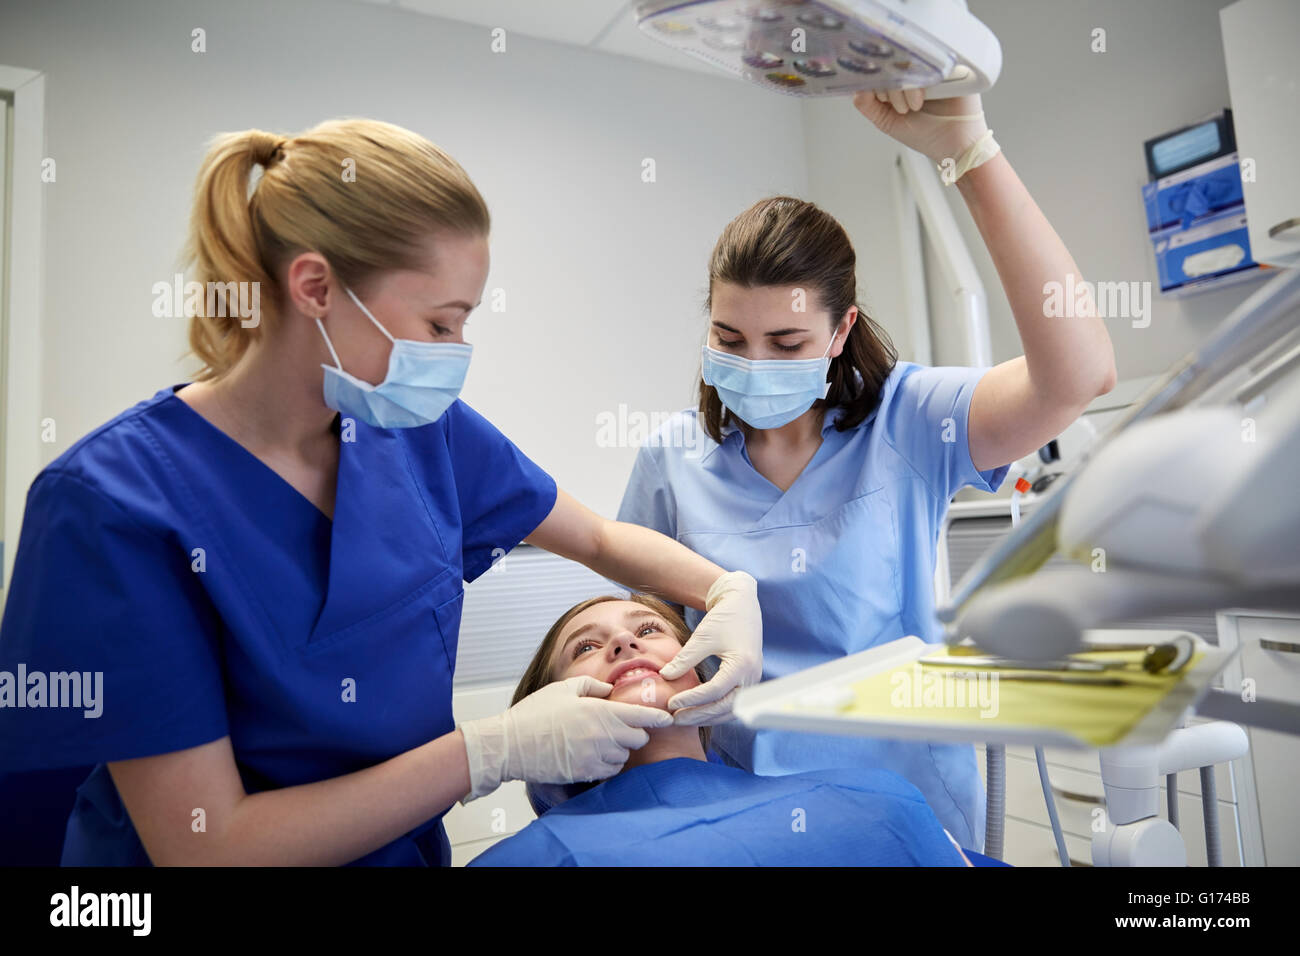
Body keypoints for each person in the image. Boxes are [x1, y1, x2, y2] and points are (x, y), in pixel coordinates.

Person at [0, 118, 762, 867]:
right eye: (439, 323)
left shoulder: (419, 432)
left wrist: (726, 590)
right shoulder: (113, 505)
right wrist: (488, 752)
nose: (457, 354)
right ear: (315, 287)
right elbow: (206, 845)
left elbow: (596, 538)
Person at [615, 90, 1118, 850]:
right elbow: (646, 645)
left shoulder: (909, 419)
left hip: (905, 809)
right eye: (728, 337)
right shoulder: (670, 459)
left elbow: (1077, 376)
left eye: (786, 344)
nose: (754, 366)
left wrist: (970, 151)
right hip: (741, 815)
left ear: (841, 329)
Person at [469, 595, 975, 866]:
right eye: (584, 648)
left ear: (705, 672)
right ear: (544, 708)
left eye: (648, 630)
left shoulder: (876, 797)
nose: (624, 641)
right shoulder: (538, 856)